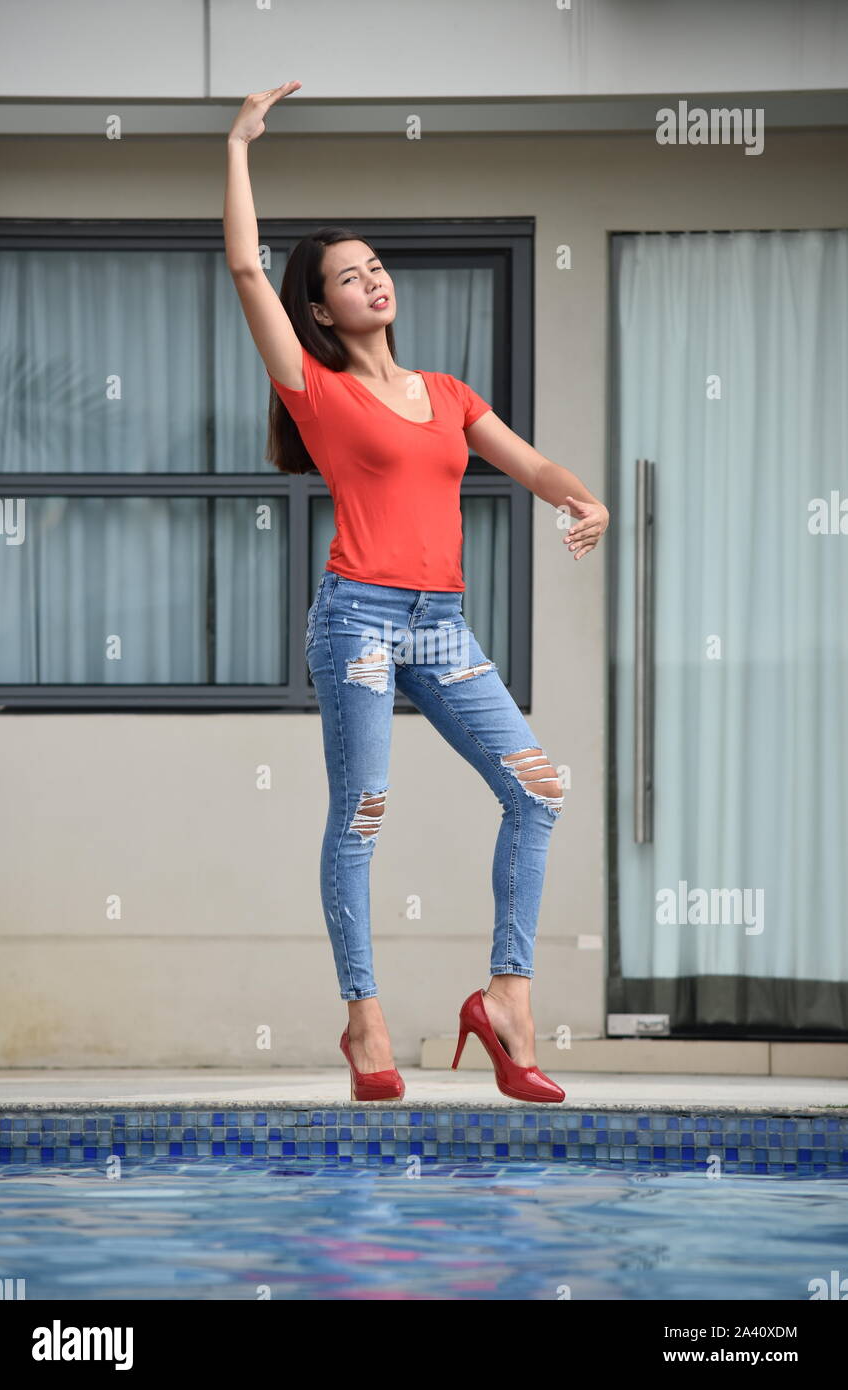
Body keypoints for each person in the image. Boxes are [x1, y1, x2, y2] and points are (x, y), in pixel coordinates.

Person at [224, 83, 609, 1104]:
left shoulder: (445, 393)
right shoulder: (316, 390)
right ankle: (364, 1017)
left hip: (441, 626)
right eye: (349, 278)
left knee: (535, 787)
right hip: (356, 616)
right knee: (362, 811)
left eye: (377, 267)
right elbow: (240, 268)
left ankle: (505, 1001)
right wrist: (237, 144)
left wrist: (582, 500)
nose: (372, 282)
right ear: (321, 307)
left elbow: (531, 470)